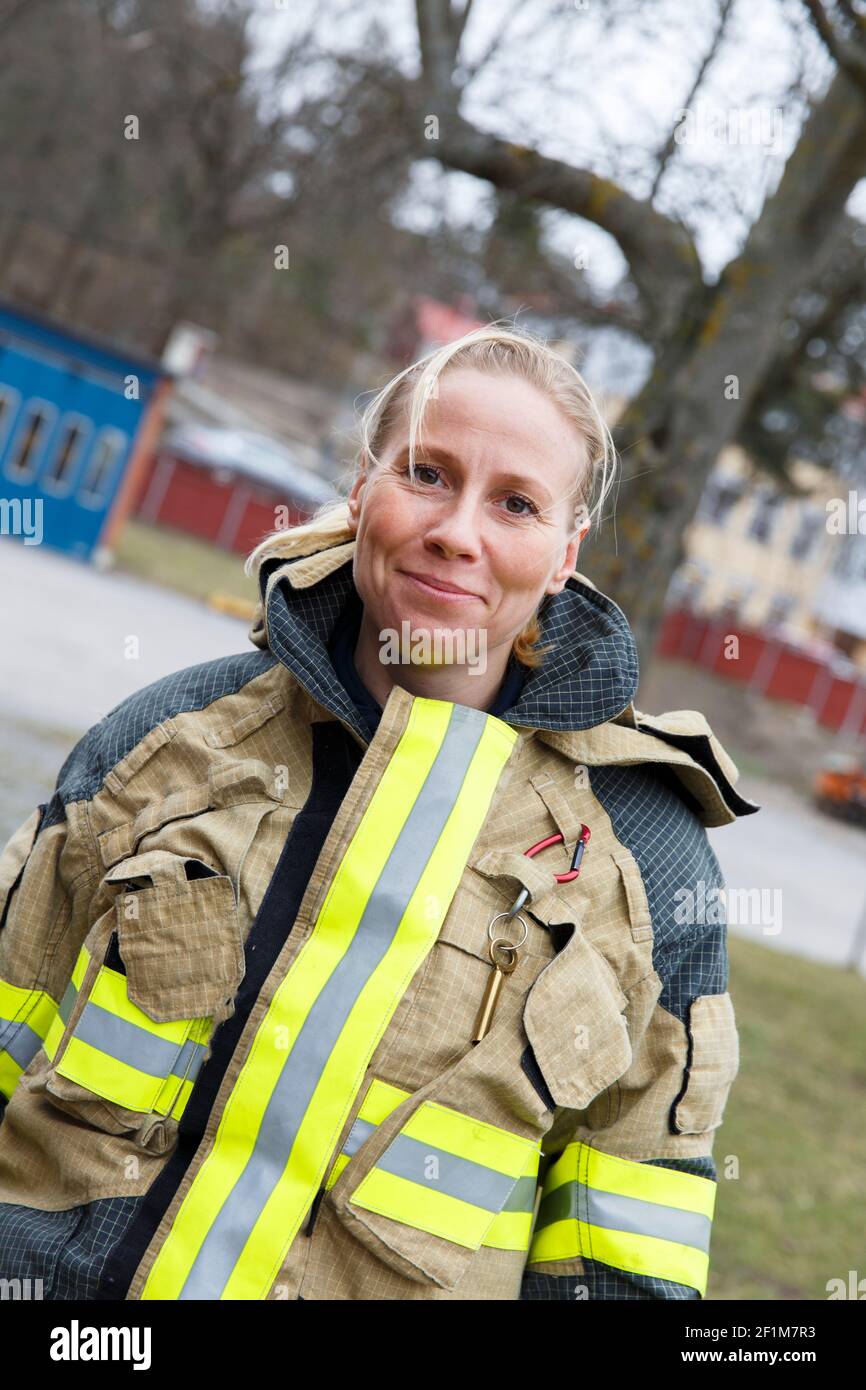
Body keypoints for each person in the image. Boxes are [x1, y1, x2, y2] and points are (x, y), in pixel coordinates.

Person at [0, 323, 758, 1301]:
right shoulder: (169, 740)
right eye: (426, 473)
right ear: (363, 490)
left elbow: (624, 1254)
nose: (457, 530)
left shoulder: (645, 858)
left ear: (564, 551)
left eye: (515, 502)